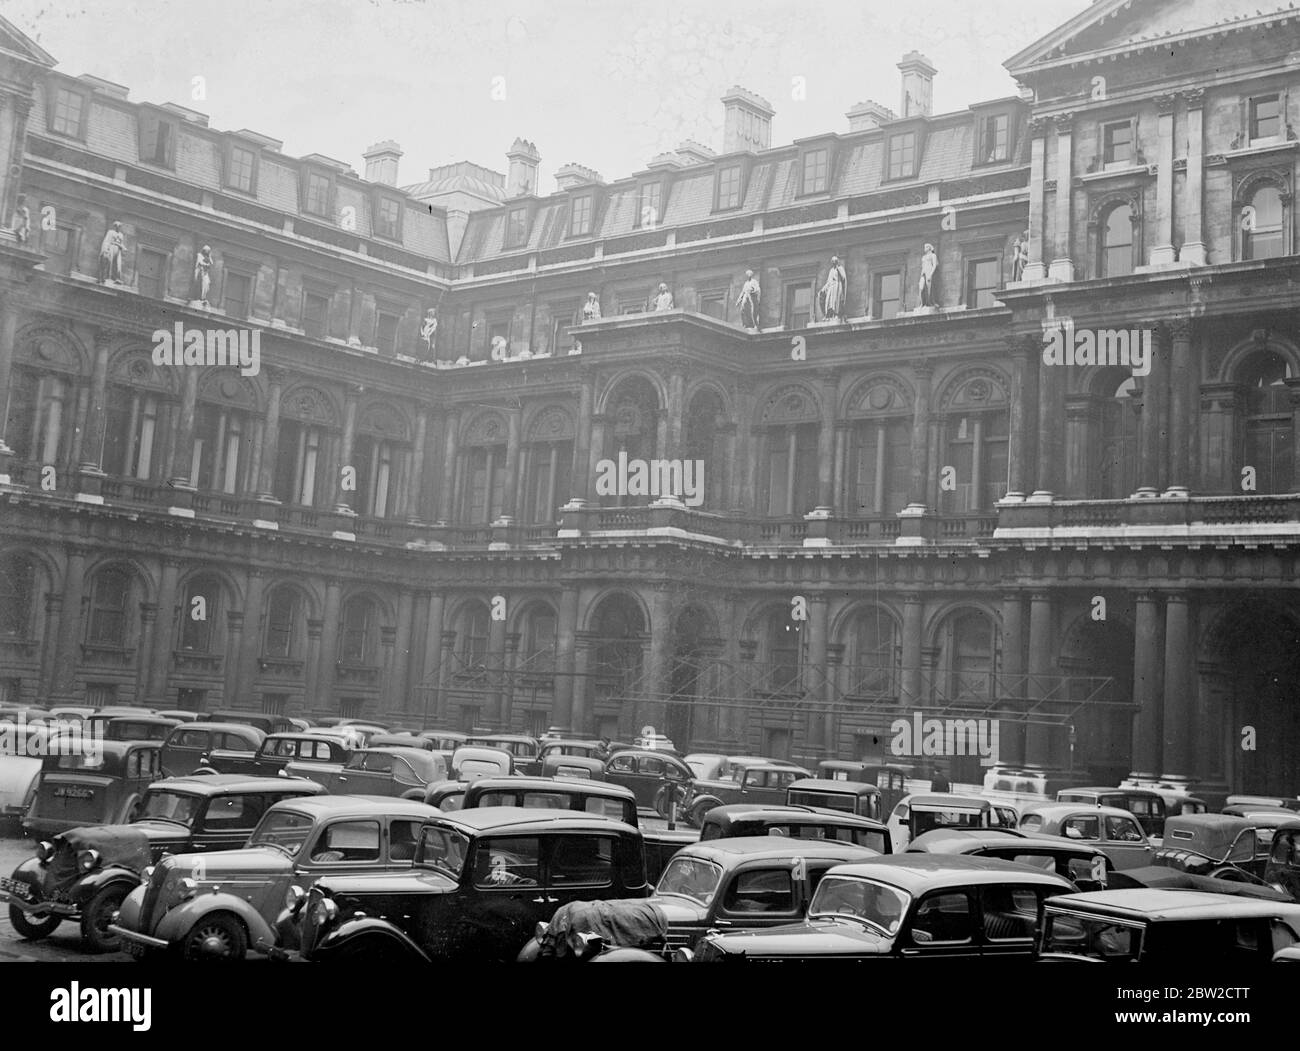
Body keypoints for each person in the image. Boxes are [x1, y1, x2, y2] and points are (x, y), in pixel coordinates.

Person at [820, 255, 847, 320]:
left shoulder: (840, 268)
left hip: (837, 286)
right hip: (831, 287)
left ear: (837, 262)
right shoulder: (831, 270)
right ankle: (828, 315)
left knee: (835, 301)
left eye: (834, 261)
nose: (833, 262)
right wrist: (824, 288)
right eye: (832, 261)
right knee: (828, 301)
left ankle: (836, 314)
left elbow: (843, 278)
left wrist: (838, 269)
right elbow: (828, 281)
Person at [918, 243, 938, 307]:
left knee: (929, 288)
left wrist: (931, 274)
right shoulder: (923, 257)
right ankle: (922, 302)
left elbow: (934, 265)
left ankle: (929, 303)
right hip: (923, 273)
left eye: (926, 247)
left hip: (929, 272)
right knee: (921, 288)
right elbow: (922, 266)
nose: (924, 249)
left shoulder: (933, 255)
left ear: (929, 248)